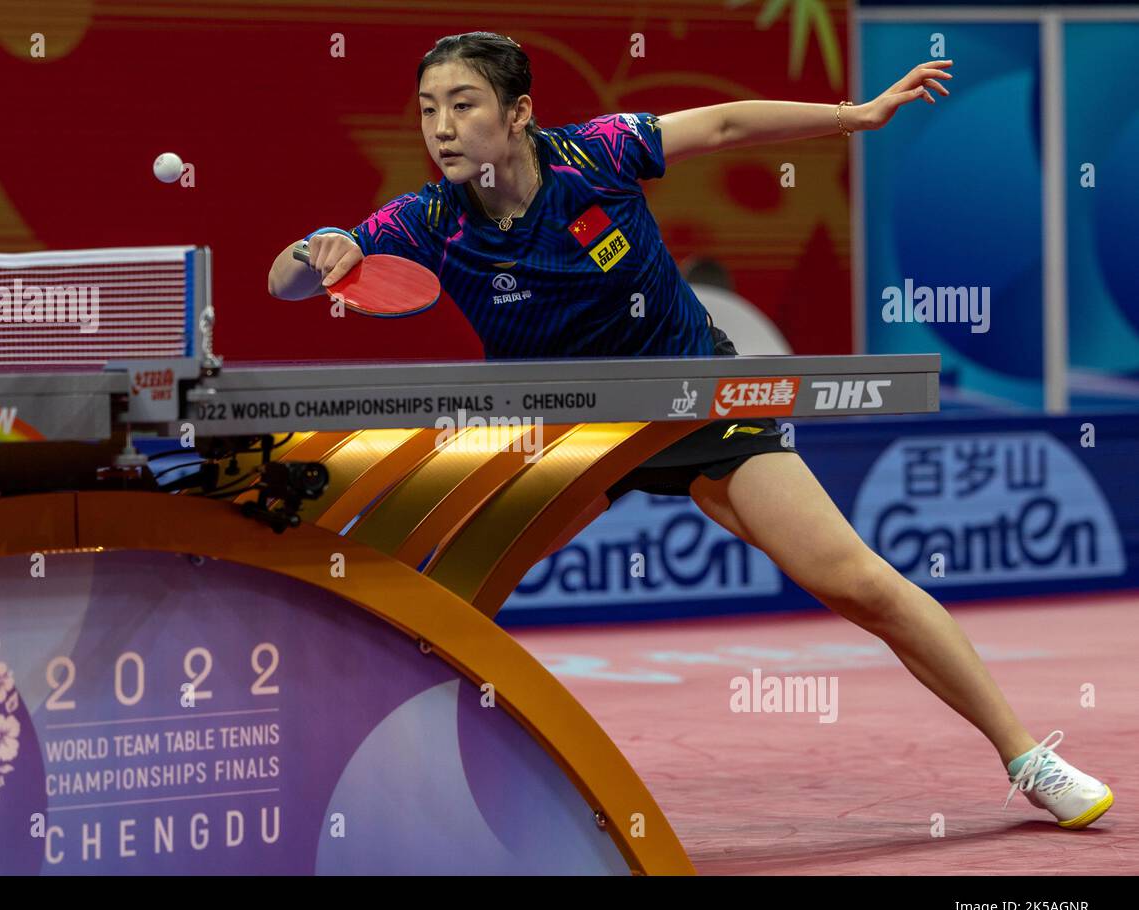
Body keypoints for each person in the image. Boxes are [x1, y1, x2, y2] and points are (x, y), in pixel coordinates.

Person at [268, 31, 1113, 829]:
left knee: (855, 579)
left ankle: (1029, 758)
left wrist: (855, 116)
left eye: (464, 104)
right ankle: (373, 781)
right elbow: (286, 283)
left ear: (519, 112)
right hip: (563, 434)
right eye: (427, 108)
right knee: (452, 591)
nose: (443, 128)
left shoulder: (596, 153)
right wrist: (321, 247)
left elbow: (726, 122)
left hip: (690, 398)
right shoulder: (428, 219)